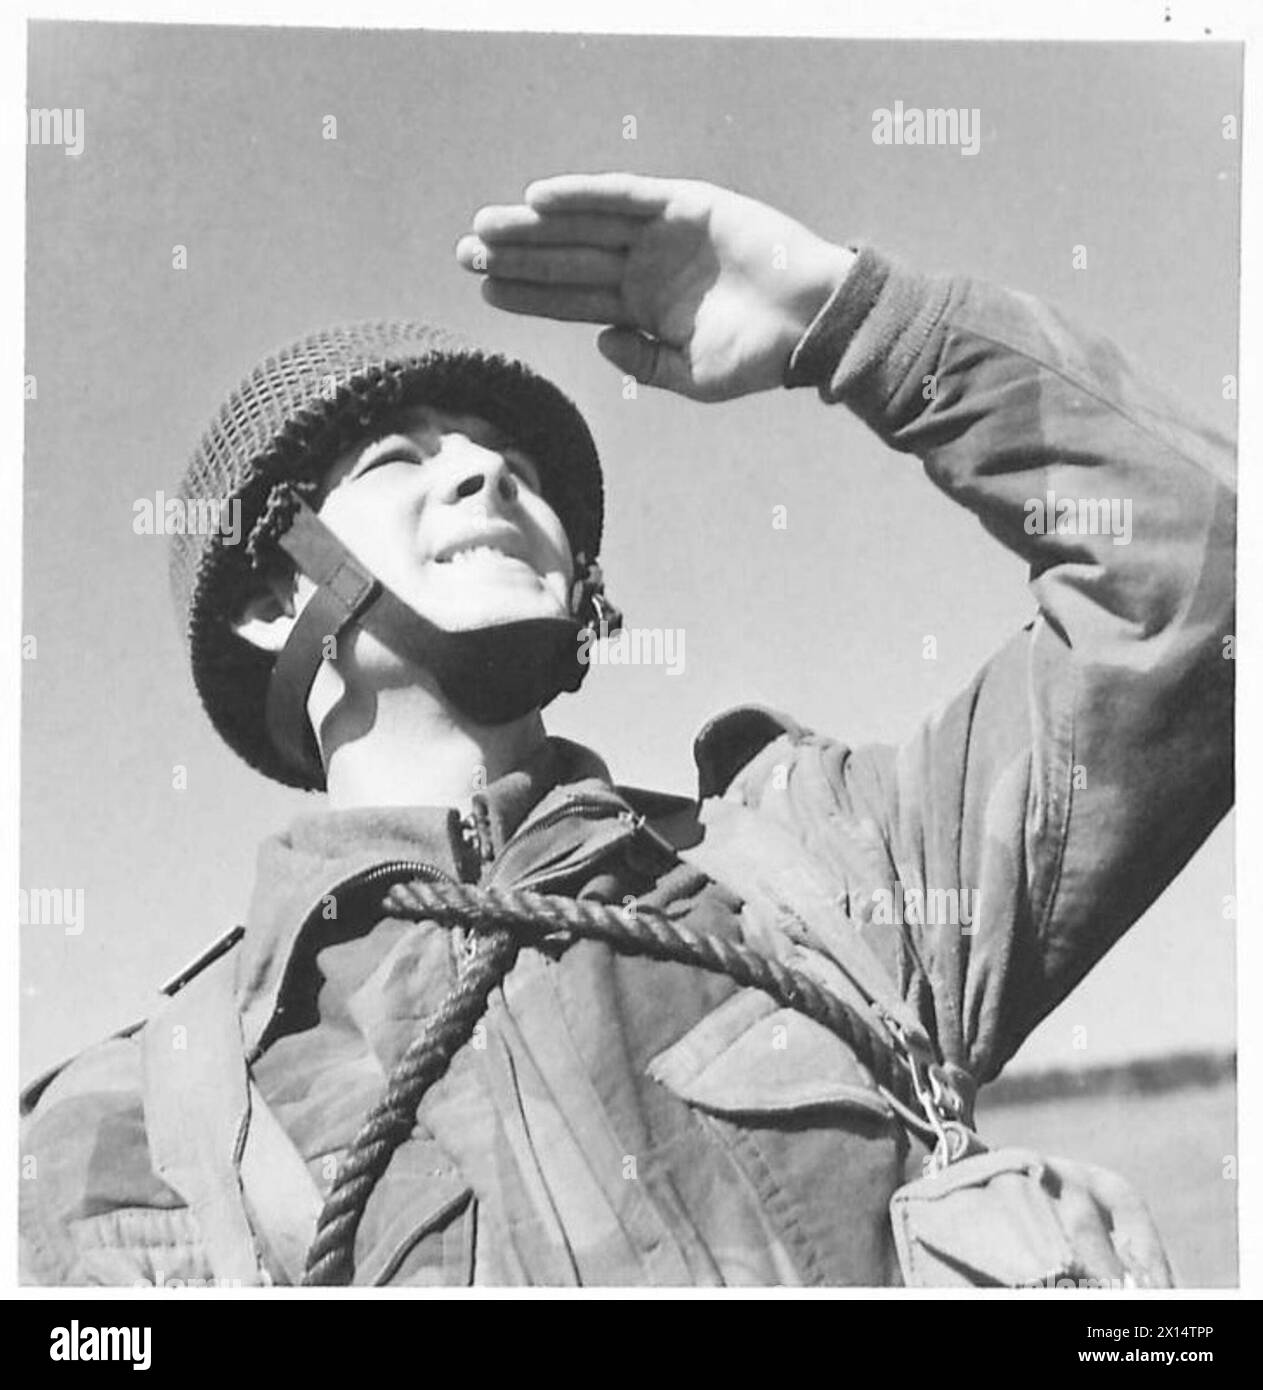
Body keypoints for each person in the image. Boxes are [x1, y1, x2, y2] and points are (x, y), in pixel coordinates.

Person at [19, 173, 1234, 1288]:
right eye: (398, 460)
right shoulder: (140, 1130)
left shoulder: (823, 873)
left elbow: (1205, 586)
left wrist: (853, 320)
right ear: (276, 596)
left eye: (514, 466)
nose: (489, 480)